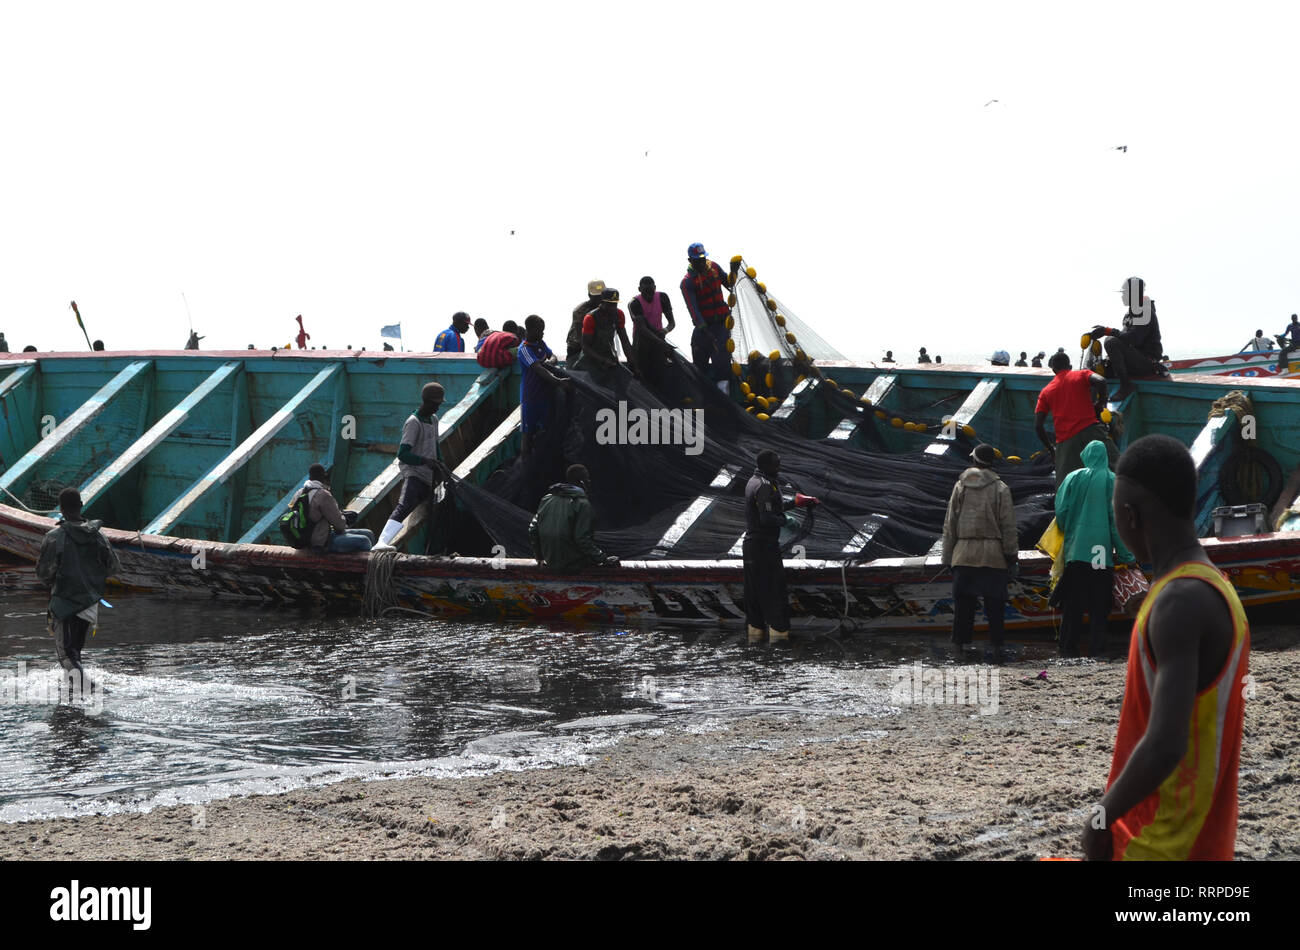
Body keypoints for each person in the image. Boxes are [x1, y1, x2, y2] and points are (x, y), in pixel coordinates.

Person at [1082, 435, 1250, 861]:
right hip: (1200, 842)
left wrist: (1099, 817)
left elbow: (1166, 744)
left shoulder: (1179, 601)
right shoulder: (1215, 587)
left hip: (1161, 844)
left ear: (1129, 516)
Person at [1054, 440, 1134, 658]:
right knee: (1099, 604)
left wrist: (1072, 529)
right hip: (1100, 553)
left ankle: (1067, 648)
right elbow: (1116, 523)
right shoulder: (1111, 480)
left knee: (1073, 603)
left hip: (1076, 551)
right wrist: (1126, 555)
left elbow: (1061, 512)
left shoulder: (1072, 478)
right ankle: (1097, 649)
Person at [35, 488, 121, 690]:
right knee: (75, 652)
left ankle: (93, 690)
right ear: (81, 506)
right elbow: (113, 567)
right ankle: (76, 695)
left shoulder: (54, 537)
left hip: (64, 603)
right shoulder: (98, 535)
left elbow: (43, 573)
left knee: (66, 655)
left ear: (61, 509)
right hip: (89, 604)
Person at [941, 444, 1017, 662]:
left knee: (963, 607)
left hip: (963, 554)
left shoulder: (960, 486)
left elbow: (950, 524)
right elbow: (1008, 525)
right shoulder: (1001, 488)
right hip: (993, 557)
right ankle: (996, 649)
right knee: (995, 607)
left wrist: (947, 558)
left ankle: (959, 649)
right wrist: (1011, 556)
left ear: (974, 461)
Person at [742, 450, 818, 645]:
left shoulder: (754, 481)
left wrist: (795, 503)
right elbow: (767, 518)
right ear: (766, 465)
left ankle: (755, 643)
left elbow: (768, 508)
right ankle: (779, 644)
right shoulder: (764, 486)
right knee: (774, 593)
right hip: (764, 547)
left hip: (752, 547)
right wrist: (786, 520)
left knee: (754, 596)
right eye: (776, 464)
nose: (779, 468)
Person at [374, 382, 449, 549]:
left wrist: (441, 463)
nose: (438, 408)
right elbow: (402, 454)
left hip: (429, 475)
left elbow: (435, 445)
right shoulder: (413, 423)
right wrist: (424, 461)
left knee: (429, 510)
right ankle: (381, 542)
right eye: (436, 404)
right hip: (414, 473)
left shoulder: (434, 420)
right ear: (427, 402)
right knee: (405, 505)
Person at [1035, 351, 1117, 486]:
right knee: (1119, 470)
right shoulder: (1081, 375)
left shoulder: (1046, 392)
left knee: (1066, 487)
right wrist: (1100, 403)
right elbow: (1101, 381)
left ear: (1053, 370)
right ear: (1070, 366)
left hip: (1066, 443)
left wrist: (1051, 449)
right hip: (1092, 432)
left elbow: (1038, 426)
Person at [529, 464, 619, 570]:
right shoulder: (582, 504)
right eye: (587, 479)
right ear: (582, 482)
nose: (589, 481)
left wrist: (539, 557)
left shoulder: (546, 499)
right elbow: (582, 540)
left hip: (549, 561)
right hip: (573, 564)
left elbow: (533, 530)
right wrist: (603, 559)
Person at [680, 243, 739, 393]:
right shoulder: (687, 282)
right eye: (697, 260)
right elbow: (694, 311)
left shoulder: (714, 267)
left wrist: (734, 270)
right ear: (690, 260)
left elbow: (729, 284)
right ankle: (702, 398)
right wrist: (707, 332)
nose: (701, 263)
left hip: (721, 326)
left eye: (703, 259)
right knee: (700, 366)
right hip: (704, 329)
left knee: (722, 363)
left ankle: (724, 398)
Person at [1090, 281, 1164, 400]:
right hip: (1135, 359)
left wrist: (1107, 331)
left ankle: (1126, 386)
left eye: (1125, 293)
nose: (1122, 296)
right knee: (1100, 369)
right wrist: (1104, 332)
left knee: (1111, 341)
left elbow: (1133, 339)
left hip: (1147, 363)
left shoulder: (1145, 312)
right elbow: (1123, 337)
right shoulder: (1130, 313)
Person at [517, 315, 572, 456]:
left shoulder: (540, 344)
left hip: (545, 397)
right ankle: (525, 462)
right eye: (540, 330)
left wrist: (550, 361)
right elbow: (538, 369)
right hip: (530, 398)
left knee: (546, 430)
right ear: (531, 330)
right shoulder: (524, 349)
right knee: (527, 434)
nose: (543, 333)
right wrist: (559, 382)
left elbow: (552, 356)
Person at [301, 463, 374, 553]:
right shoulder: (323, 495)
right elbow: (340, 525)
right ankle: (365, 562)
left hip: (307, 538)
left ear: (310, 476)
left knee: (368, 533)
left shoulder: (300, 492)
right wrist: (344, 519)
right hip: (321, 543)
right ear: (323, 477)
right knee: (365, 541)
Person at [576, 288, 637, 380]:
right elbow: (586, 347)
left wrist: (632, 363)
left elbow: (624, 341)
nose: (613, 308)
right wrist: (602, 360)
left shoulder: (619, 314)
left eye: (615, 304)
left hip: (609, 356)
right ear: (602, 302)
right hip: (591, 359)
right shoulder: (590, 318)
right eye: (609, 304)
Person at [628, 276, 676, 387]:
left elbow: (672, 323)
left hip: (658, 339)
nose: (649, 295)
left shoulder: (663, 297)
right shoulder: (634, 303)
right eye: (645, 292)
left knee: (659, 375)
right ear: (639, 289)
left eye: (651, 292)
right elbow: (642, 328)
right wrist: (661, 343)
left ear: (655, 288)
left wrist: (665, 330)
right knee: (642, 373)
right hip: (642, 342)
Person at [567, 280, 606, 363]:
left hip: (596, 346)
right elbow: (581, 338)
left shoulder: (606, 308)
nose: (599, 299)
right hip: (577, 347)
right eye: (596, 296)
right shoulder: (579, 311)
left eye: (601, 296)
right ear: (589, 295)